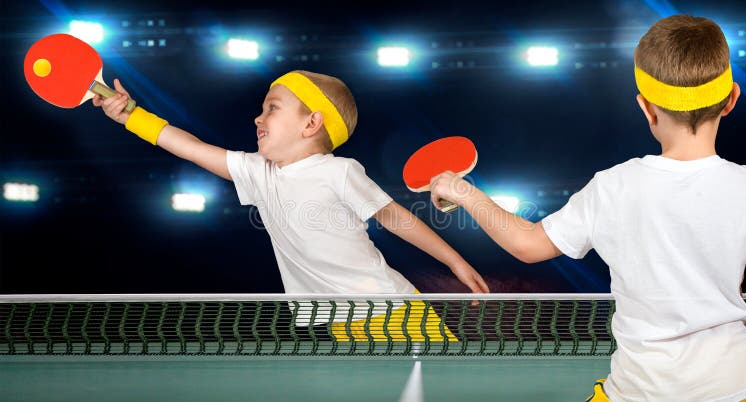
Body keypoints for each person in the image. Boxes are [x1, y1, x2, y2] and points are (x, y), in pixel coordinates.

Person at [428, 15, 746, 401]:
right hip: (735, 389)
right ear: (732, 99)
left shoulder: (613, 186)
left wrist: (464, 192)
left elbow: (528, 245)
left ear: (646, 107)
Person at [94, 69, 489, 341]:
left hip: (394, 310)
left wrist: (455, 262)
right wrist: (130, 114)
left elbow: (394, 217)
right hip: (338, 321)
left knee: (446, 384)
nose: (257, 117)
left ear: (311, 123)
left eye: (272, 107)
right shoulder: (257, 172)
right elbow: (191, 148)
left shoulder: (338, 171)